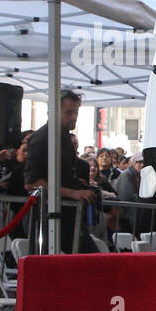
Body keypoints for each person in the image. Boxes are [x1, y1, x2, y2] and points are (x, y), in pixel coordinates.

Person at [24, 90, 99, 252]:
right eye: (68, 112)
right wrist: (72, 192)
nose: (73, 117)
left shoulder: (64, 137)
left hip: (65, 214)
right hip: (48, 215)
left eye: (76, 112)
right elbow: (32, 182)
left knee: (91, 262)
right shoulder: (43, 138)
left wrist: (75, 185)